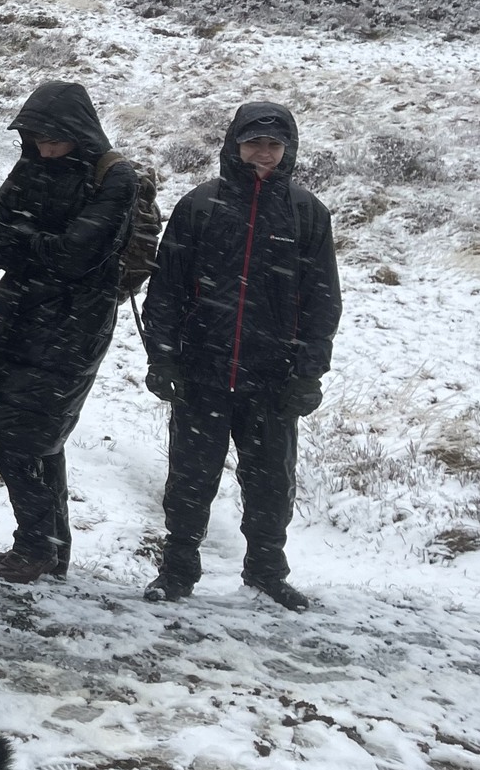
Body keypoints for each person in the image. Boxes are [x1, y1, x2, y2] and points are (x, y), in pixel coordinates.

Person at [140, 103, 340, 611]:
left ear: (288, 149)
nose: (264, 154)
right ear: (234, 145)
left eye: (274, 145)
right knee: (190, 477)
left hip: (273, 379)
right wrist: (163, 357)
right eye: (254, 143)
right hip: (201, 372)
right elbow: (166, 289)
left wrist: (309, 372)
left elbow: (322, 301)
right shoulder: (200, 206)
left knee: (271, 480)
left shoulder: (306, 212)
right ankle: (178, 569)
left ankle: (267, 571)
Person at [0, 81, 138, 584]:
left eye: (52, 136)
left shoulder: (113, 179)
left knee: (24, 436)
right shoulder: (31, 166)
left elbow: (74, 256)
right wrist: (14, 240)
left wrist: (17, 241)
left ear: (78, 130)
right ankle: (49, 545)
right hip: (18, 317)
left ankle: (37, 544)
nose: (43, 146)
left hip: (73, 326)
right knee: (23, 432)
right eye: (35, 135)